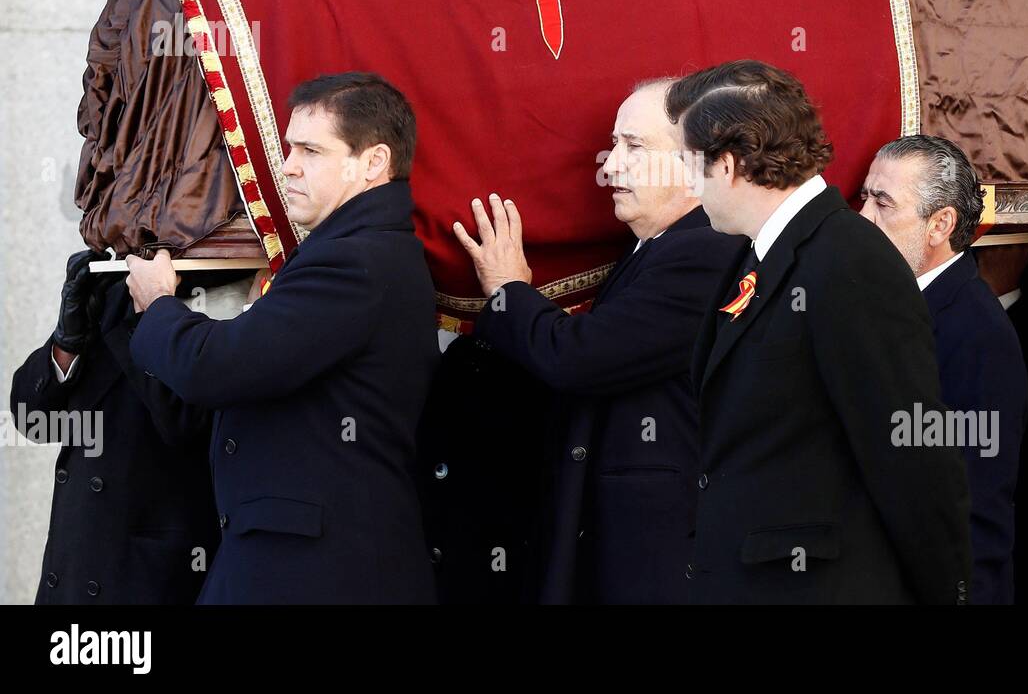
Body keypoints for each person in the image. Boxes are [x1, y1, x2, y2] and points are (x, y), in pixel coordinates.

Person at [125, 72, 438, 604]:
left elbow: (214, 367)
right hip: (300, 562)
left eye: (311, 151)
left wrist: (158, 304)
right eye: (290, 147)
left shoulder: (354, 261)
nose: (288, 165)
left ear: (373, 163)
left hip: (317, 571)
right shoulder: (351, 252)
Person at [666, 59, 971, 604]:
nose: (688, 183)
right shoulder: (758, 254)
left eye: (692, 164)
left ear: (730, 164)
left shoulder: (851, 261)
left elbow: (912, 455)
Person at [449, 78, 747, 603]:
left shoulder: (707, 251)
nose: (608, 167)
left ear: (694, 162)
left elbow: (579, 357)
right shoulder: (650, 249)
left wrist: (508, 290)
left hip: (655, 562)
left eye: (634, 146)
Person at [860, 135, 1028, 604]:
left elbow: (973, 503)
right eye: (865, 197)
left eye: (883, 203)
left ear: (940, 225)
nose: (863, 218)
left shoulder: (976, 332)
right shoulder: (884, 302)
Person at [8, 250, 220, 604]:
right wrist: (65, 343)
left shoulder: (221, 282)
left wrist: (151, 314)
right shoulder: (111, 286)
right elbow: (32, 419)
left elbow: (184, 423)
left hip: (145, 576)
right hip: (73, 567)